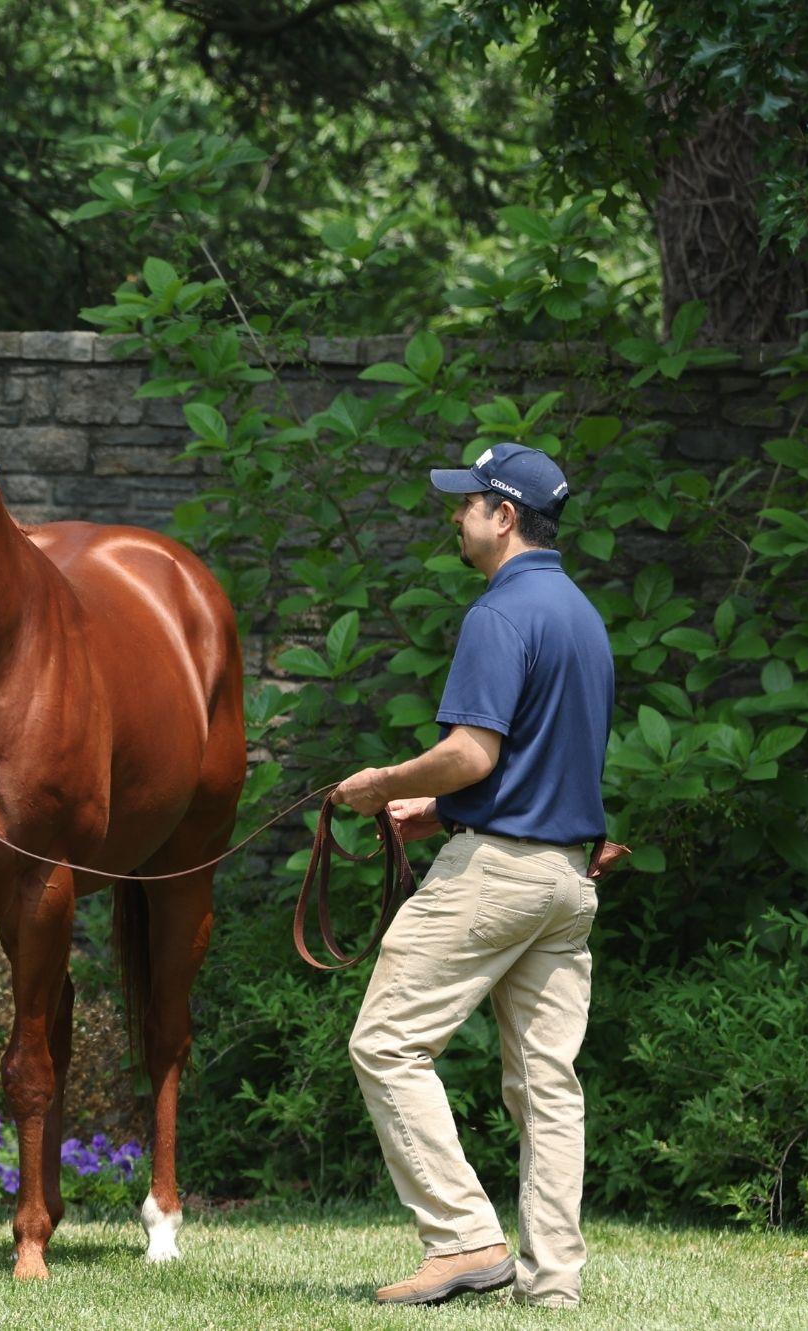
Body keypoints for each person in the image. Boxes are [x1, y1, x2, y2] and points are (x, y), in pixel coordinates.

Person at [330, 442, 614, 1308]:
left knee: (384, 1043)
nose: (455, 517)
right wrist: (443, 811)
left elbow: (470, 751)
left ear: (504, 515)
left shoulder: (498, 615)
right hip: (567, 881)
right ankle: (554, 1281)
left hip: (497, 876)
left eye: (467, 504)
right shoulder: (580, 616)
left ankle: (461, 1240)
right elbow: (540, 759)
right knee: (547, 1086)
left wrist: (384, 786)